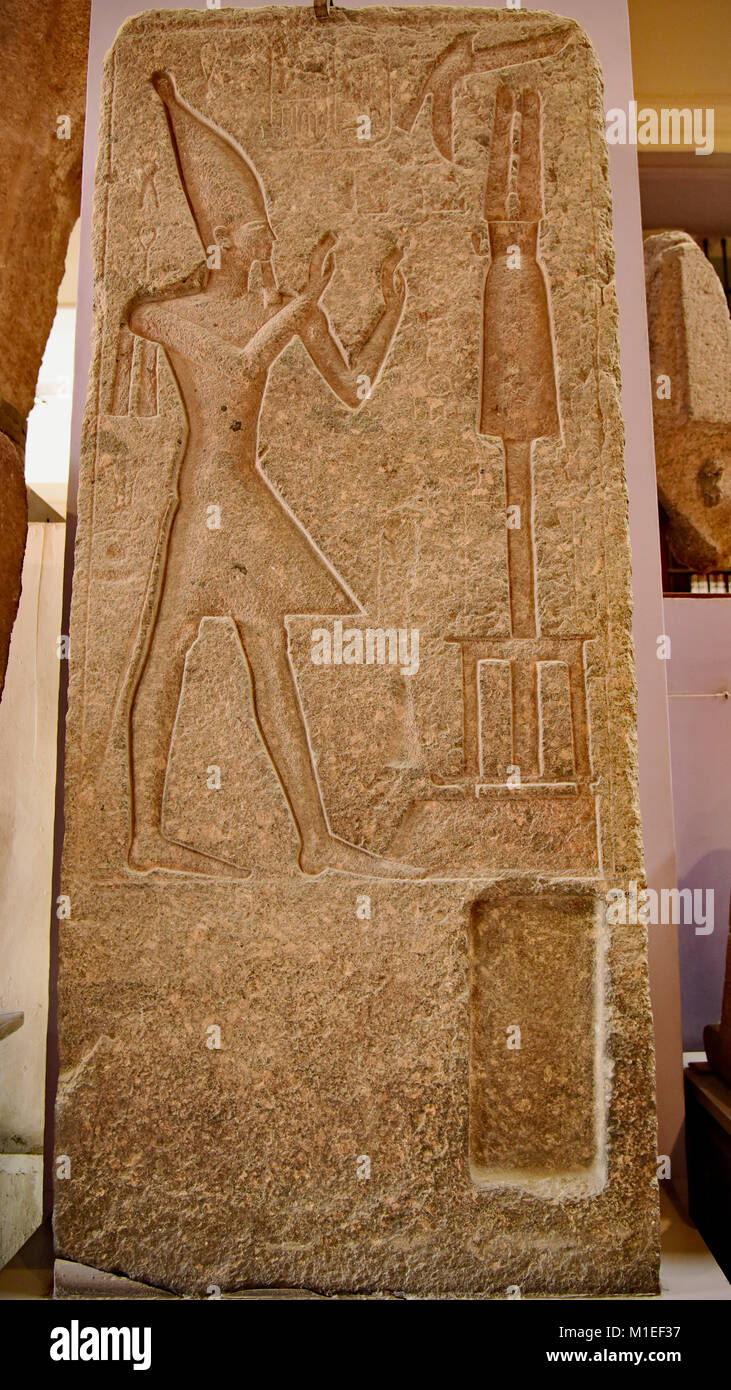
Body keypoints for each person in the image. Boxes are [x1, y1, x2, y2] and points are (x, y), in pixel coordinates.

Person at [124, 71, 418, 880]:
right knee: (167, 650)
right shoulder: (180, 314)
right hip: (207, 501)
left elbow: (354, 390)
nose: (269, 249)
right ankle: (147, 834)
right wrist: (301, 303)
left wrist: (387, 307)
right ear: (219, 241)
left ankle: (316, 841)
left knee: (269, 658)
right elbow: (232, 356)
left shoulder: (281, 305)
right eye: (254, 235)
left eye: (268, 234)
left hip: (247, 499)